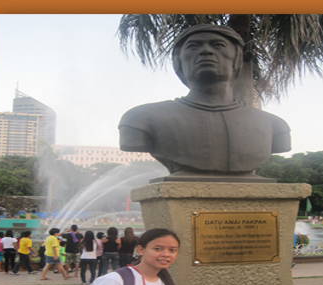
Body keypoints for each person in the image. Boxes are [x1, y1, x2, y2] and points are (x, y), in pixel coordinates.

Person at [120, 25, 290, 178]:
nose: (206, 51)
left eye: (218, 45)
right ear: (179, 60)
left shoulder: (274, 126)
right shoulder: (141, 120)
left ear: (237, 58)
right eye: (193, 46)